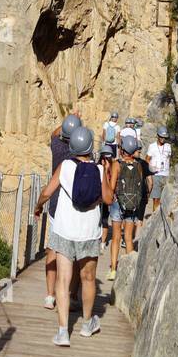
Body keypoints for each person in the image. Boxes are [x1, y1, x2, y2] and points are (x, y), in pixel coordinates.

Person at [35, 124, 114, 345]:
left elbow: (47, 192)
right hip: (88, 232)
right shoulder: (98, 170)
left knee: (63, 279)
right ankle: (87, 324)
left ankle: (62, 331)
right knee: (88, 279)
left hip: (64, 230)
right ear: (90, 146)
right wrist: (106, 171)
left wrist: (38, 206)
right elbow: (108, 199)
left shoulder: (65, 167)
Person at [43, 113, 81, 309]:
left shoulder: (56, 146)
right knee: (73, 253)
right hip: (74, 207)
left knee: (53, 250)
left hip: (55, 205)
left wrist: (67, 119)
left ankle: (50, 296)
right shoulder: (80, 155)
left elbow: (53, 133)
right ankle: (72, 295)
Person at [106, 130, 148, 280]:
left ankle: (113, 270)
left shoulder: (117, 164)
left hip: (118, 203)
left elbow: (112, 187)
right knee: (128, 237)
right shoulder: (139, 166)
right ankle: (129, 272)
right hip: (132, 205)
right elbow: (140, 186)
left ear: (123, 149)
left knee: (116, 237)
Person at [146, 125, 172, 212]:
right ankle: (154, 218)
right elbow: (147, 160)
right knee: (156, 199)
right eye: (161, 136)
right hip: (156, 175)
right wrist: (150, 173)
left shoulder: (168, 146)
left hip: (166, 175)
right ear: (157, 135)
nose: (162, 139)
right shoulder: (152, 146)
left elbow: (169, 158)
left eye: (164, 137)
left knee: (164, 199)